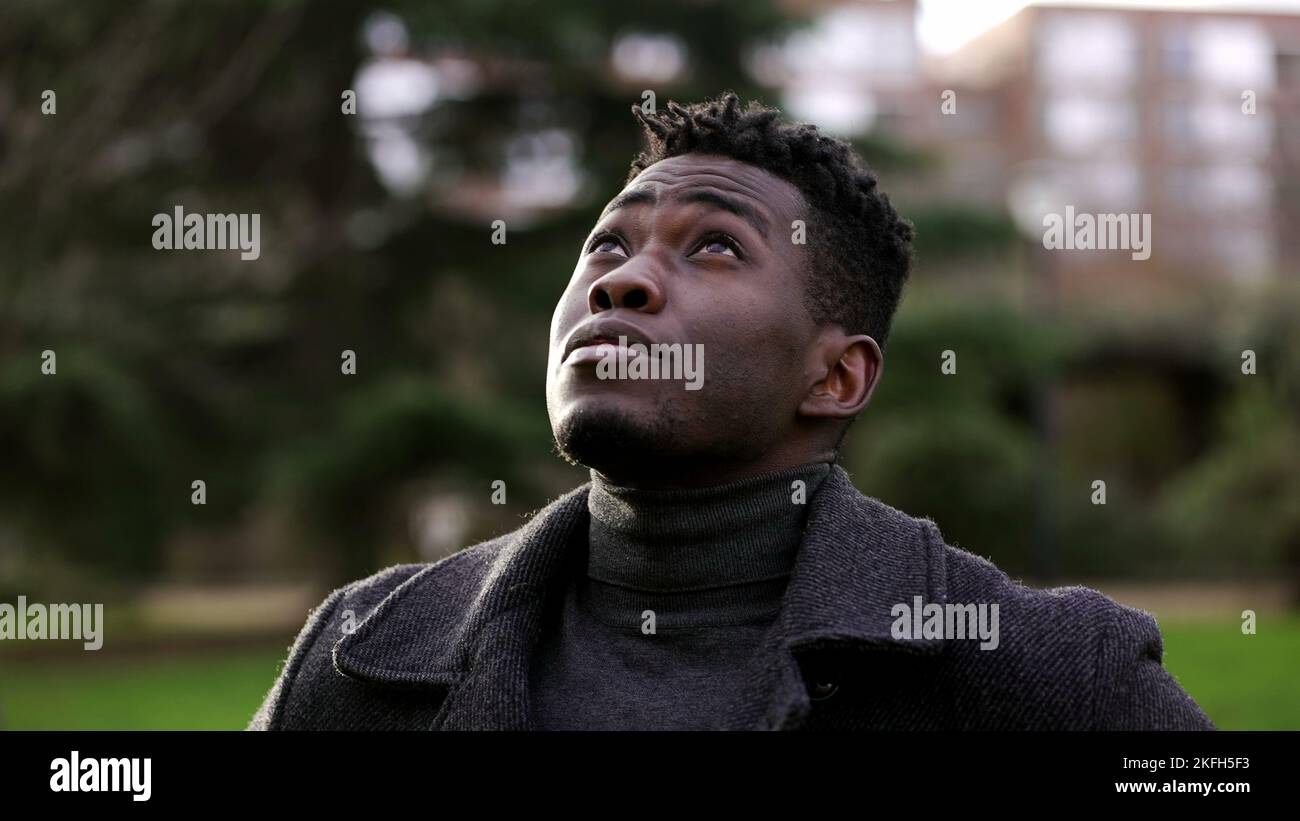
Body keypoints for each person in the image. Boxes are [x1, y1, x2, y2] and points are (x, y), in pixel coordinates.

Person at [248, 93, 1214, 731]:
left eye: (713, 246)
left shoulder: (1056, 681)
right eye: (605, 245)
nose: (620, 283)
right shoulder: (359, 659)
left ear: (835, 377)